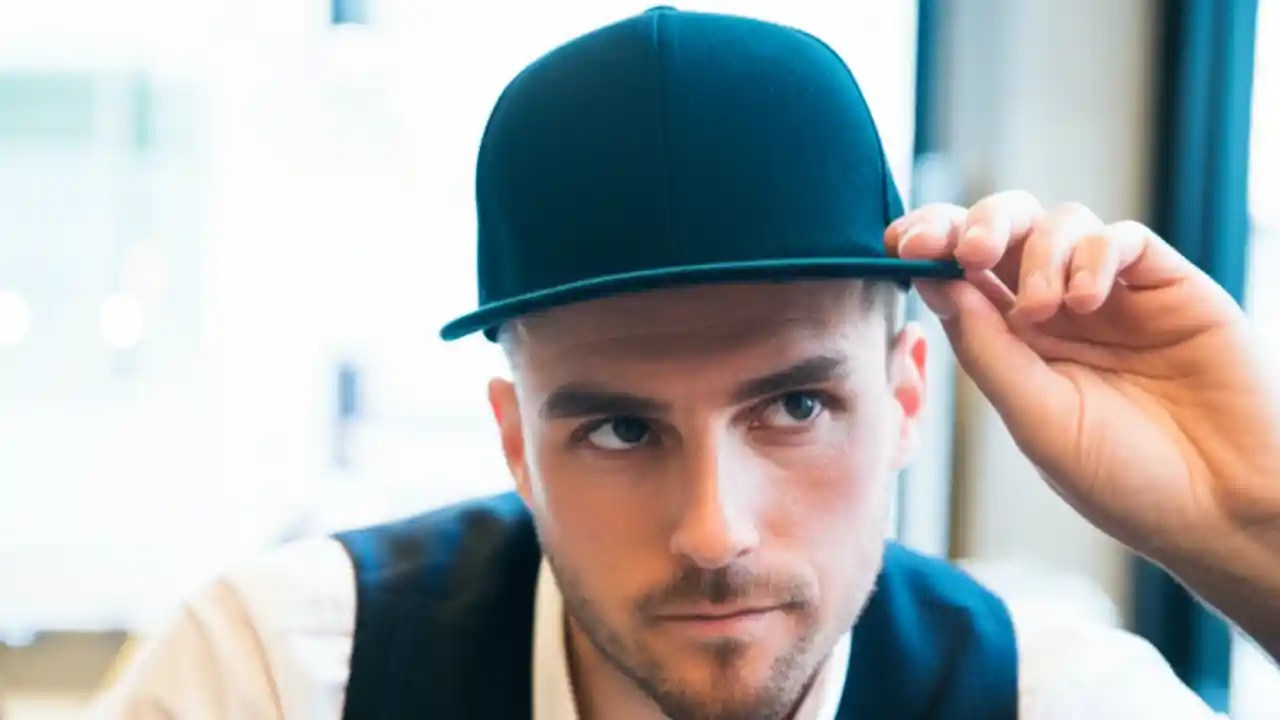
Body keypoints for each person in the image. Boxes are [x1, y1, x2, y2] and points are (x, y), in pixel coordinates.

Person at [95, 7, 1280, 719]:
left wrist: (1250, 527)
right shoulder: (285, 675)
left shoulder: (1052, 700)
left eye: (796, 405)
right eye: (618, 429)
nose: (714, 533)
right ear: (516, 441)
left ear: (906, 395)